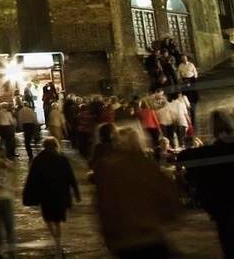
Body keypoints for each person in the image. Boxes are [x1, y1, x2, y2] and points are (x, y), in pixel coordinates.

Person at [93, 127, 181, 259]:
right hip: (151, 234)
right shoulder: (147, 166)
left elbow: (104, 206)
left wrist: (109, 236)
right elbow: (168, 197)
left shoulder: (109, 168)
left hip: (124, 240)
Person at [180, 110, 234, 258]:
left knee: (229, 242)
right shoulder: (214, 150)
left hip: (225, 207)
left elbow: (184, 157)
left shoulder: (210, 152)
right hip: (226, 206)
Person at [22, 137, 80, 258]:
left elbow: (32, 178)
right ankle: (58, 244)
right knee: (58, 221)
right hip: (60, 194)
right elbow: (71, 177)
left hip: (46, 195)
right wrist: (76, 193)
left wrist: (29, 195)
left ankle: (57, 242)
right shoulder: (62, 159)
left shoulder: (38, 160)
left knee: (48, 219)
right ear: (55, 146)